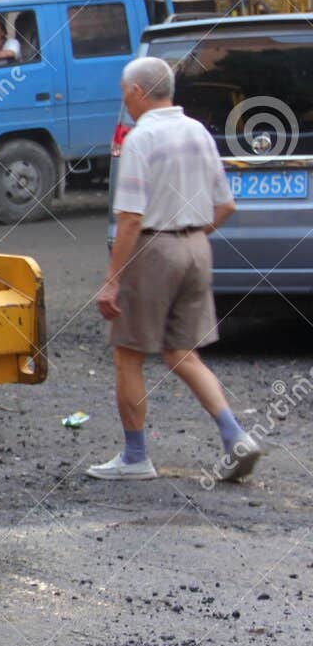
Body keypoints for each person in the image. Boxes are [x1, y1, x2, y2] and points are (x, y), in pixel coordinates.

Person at [89, 56, 259, 483]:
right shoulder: (198, 131)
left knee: (127, 354)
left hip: (154, 249)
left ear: (137, 92)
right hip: (197, 247)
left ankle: (135, 457)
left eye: (125, 92)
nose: (125, 100)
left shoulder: (140, 139)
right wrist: (191, 235)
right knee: (183, 351)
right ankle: (235, 436)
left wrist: (112, 281)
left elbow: (130, 219)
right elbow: (226, 205)